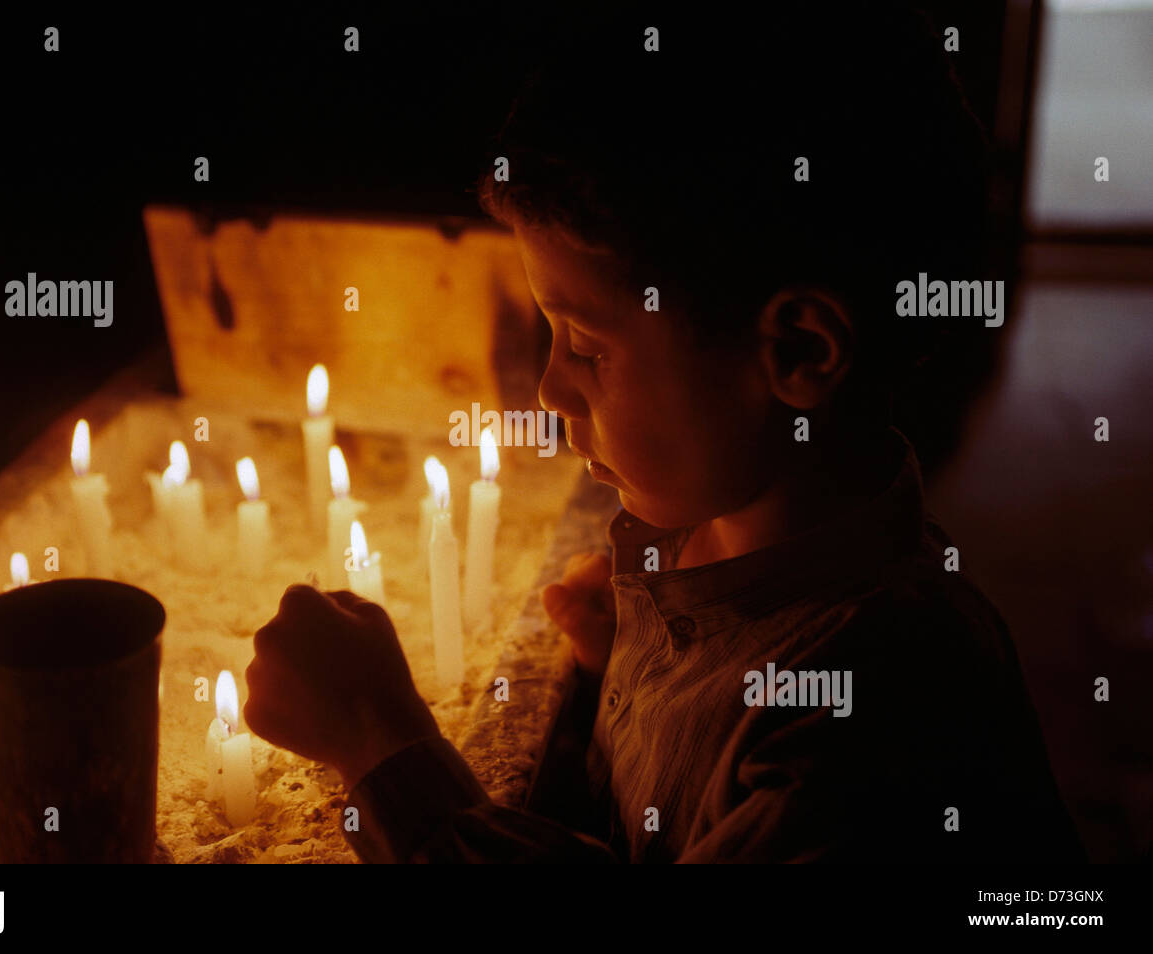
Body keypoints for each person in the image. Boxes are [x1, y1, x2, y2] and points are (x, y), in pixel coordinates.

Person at [243, 4, 1086, 862]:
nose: (549, 387)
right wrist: (631, 683)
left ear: (797, 349)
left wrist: (379, 744)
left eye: (585, 345)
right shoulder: (700, 554)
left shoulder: (874, 721)